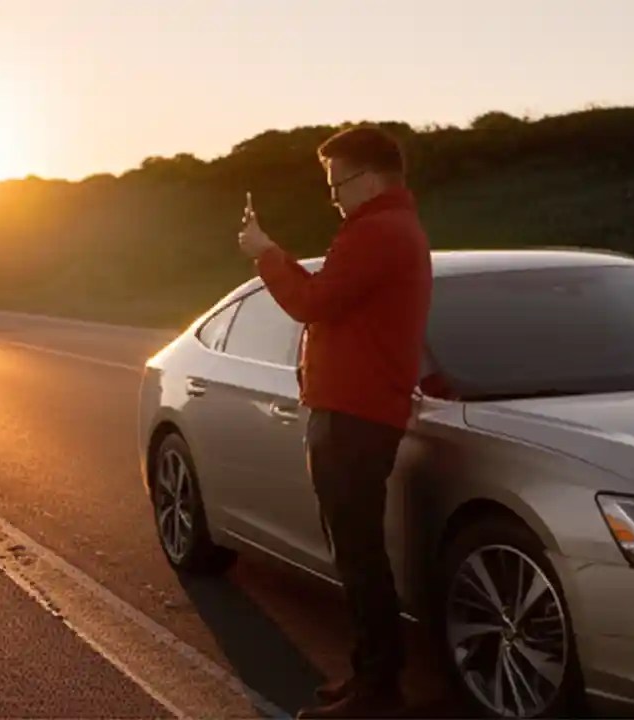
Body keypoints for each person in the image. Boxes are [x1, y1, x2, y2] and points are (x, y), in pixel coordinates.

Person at [237, 125, 432, 718]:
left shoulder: (377, 233)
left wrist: (265, 254)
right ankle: (368, 675)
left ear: (369, 179)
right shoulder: (385, 231)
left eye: (337, 183)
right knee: (354, 551)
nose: (334, 197)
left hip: (355, 416)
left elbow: (313, 303)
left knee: (359, 554)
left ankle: (377, 692)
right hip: (350, 410)